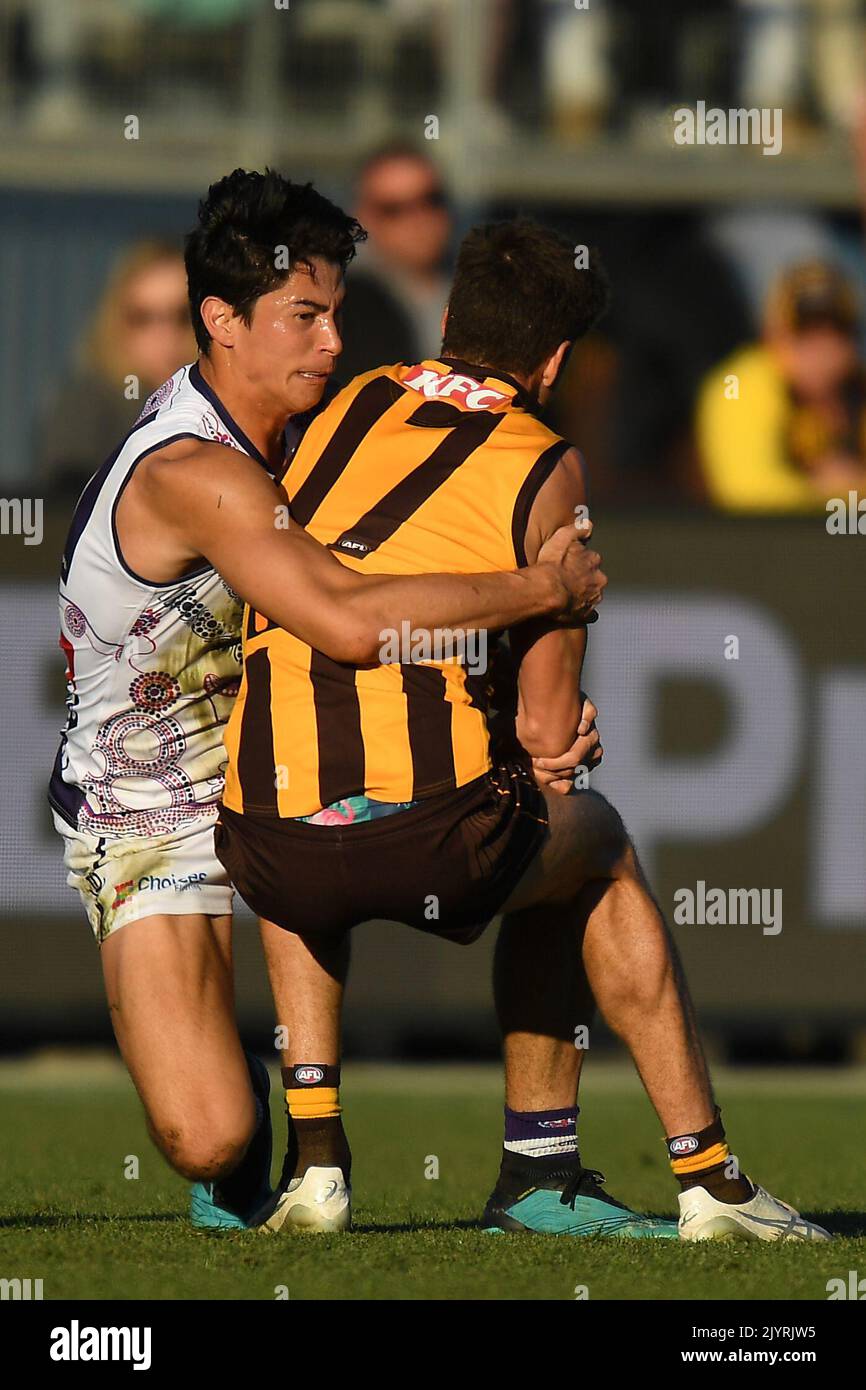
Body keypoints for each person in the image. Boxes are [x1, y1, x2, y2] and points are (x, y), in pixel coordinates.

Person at [217, 218, 829, 1242]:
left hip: (261, 841)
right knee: (589, 837)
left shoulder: (350, 398)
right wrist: (541, 739)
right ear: (553, 360)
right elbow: (547, 730)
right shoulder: (543, 463)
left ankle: (317, 1159)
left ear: (447, 318)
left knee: (300, 790)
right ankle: (702, 1179)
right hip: (427, 834)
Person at [49, 171, 606, 1233]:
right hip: (148, 813)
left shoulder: (322, 433)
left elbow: (399, 611)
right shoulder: (190, 470)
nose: (331, 340)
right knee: (207, 1136)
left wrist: (523, 714)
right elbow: (352, 622)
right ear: (219, 321)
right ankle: (256, 1117)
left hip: (273, 767)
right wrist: (546, 587)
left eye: (337, 311)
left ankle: (540, 1164)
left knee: (562, 825)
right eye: (304, 316)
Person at [698, 260, 866, 511]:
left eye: (835, 332)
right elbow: (750, 495)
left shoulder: (855, 390)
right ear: (773, 335)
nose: (821, 350)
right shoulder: (740, 384)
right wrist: (838, 495)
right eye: (804, 334)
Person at [37, 241, 196, 500]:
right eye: (142, 318)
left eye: (182, 316)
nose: (164, 336)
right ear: (115, 324)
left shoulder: (229, 406)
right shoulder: (86, 406)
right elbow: (66, 507)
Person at [337, 143, 452, 382]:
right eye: (394, 209)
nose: (418, 219)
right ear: (363, 217)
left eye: (430, 200)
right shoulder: (343, 308)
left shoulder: (485, 288)